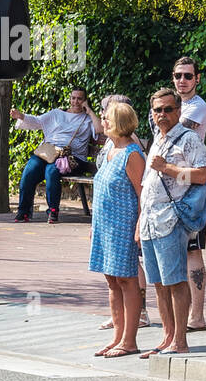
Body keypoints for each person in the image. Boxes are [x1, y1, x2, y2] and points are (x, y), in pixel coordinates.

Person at [137, 88, 206, 357]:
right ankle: (167, 337)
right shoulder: (157, 139)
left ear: (178, 111)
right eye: (158, 110)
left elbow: (201, 175)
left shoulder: (189, 139)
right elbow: (147, 183)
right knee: (158, 283)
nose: (163, 114)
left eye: (168, 109)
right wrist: (140, 220)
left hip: (171, 220)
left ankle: (180, 340)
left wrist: (168, 168)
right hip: (150, 220)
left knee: (176, 281)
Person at [88, 101, 146, 357]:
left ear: (120, 122)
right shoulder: (111, 148)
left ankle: (129, 341)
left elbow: (142, 193)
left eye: (107, 117)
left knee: (126, 279)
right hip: (105, 225)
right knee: (111, 280)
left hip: (123, 225)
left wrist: (139, 226)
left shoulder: (132, 154)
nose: (102, 120)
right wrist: (95, 226)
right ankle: (117, 338)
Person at [10, 86, 99, 223]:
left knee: (52, 170)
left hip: (71, 158)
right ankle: (23, 212)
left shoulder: (87, 119)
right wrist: (21, 116)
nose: (76, 102)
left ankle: (53, 211)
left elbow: (100, 129)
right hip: (48, 152)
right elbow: (37, 121)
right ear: (69, 99)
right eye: (73, 98)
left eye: (80, 99)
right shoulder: (56, 113)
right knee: (29, 171)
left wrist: (89, 110)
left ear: (85, 100)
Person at [170, 58, 206, 331]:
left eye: (187, 76)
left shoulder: (198, 107)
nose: (182, 80)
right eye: (178, 76)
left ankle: (197, 317)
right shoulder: (173, 104)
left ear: (197, 78)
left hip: (190, 182)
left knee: (192, 249)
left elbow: (175, 133)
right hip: (170, 182)